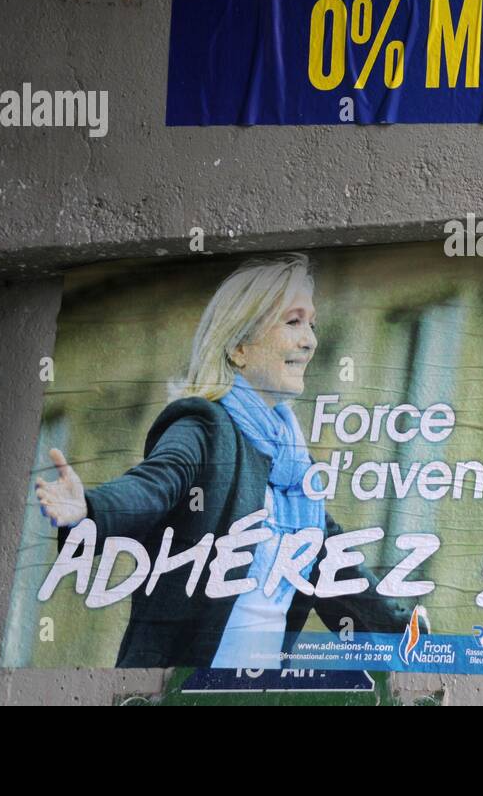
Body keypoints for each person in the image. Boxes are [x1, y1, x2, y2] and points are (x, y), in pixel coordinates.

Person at [34, 254, 411, 668]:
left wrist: (415, 638)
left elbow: (340, 570)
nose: (311, 340)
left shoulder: (295, 475)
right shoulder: (204, 426)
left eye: (312, 324)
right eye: (293, 322)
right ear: (238, 347)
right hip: (179, 690)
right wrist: (88, 508)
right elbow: (156, 483)